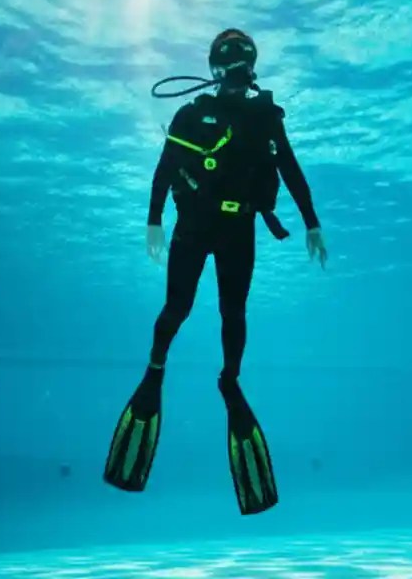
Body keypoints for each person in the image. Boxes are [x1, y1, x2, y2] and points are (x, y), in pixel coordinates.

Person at [103, 28, 327, 515]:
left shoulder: (266, 117)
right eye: (225, 64)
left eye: (241, 63)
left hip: (239, 229)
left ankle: (229, 380)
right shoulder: (189, 114)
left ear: (250, 67)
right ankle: (155, 370)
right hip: (193, 226)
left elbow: (289, 167)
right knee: (176, 308)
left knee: (233, 313)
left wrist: (312, 222)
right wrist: (153, 219)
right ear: (213, 69)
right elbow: (165, 167)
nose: (232, 73)